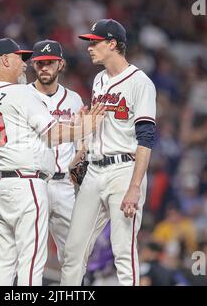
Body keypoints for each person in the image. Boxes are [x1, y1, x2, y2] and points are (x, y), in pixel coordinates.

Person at [0, 38, 105, 286]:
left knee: (5, 260)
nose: (23, 64)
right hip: (27, 183)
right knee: (32, 258)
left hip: (1, 184)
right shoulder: (21, 93)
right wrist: (86, 126)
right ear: (5, 60)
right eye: (18, 58)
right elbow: (53, 134)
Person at [61, 19, 157, 286]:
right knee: (73, 250)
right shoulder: (99, 81)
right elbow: (95, 127)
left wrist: (135, 186)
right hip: (93, 170)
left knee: (123, 252)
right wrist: (78, 157)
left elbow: (146, 138)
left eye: (95, 42)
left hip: (124, 170)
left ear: (112, 44)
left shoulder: (141, 83)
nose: (89, 47)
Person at [29, 39, 84, 267]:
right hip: (34, 182)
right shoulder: (23, 96)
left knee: (75, 254)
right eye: (40, 63)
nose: (44, 68)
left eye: (50, 62)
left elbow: (83, 144)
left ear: (60, 64)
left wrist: (80, 173)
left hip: (64, 185)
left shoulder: (74, 99)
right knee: (29, 251)